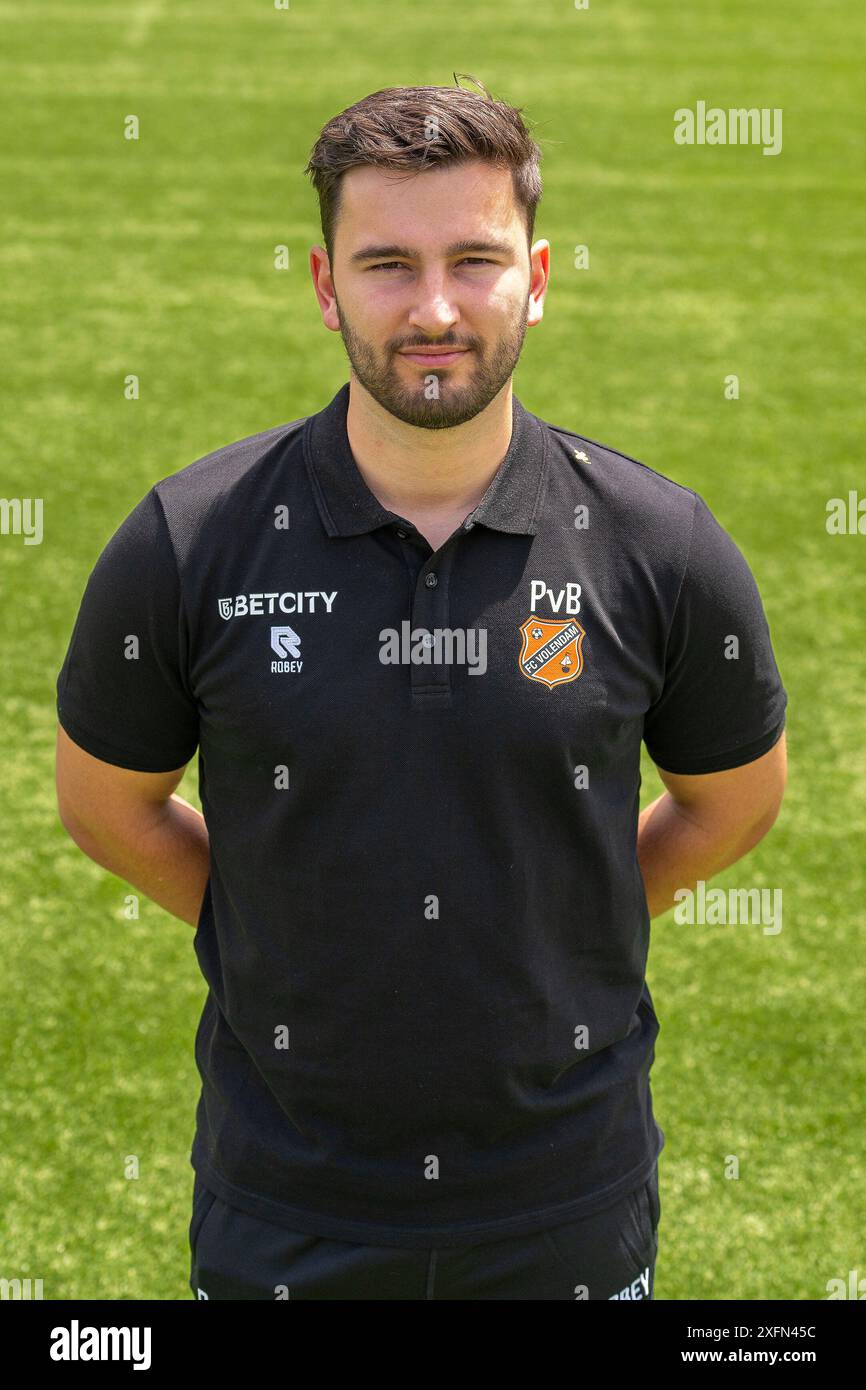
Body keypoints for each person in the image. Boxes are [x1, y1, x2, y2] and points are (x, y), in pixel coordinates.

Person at [55, 78, 788, 1300]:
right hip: (286, 1199)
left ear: (538, 277)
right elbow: (105, 807)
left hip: (564, 1196)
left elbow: (733, 802)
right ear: (324, 283)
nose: (434, 307)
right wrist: (276, 929)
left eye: (475, 260)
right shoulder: (188, 542)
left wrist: (559, 920)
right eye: (388, 262)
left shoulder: (658, 544)